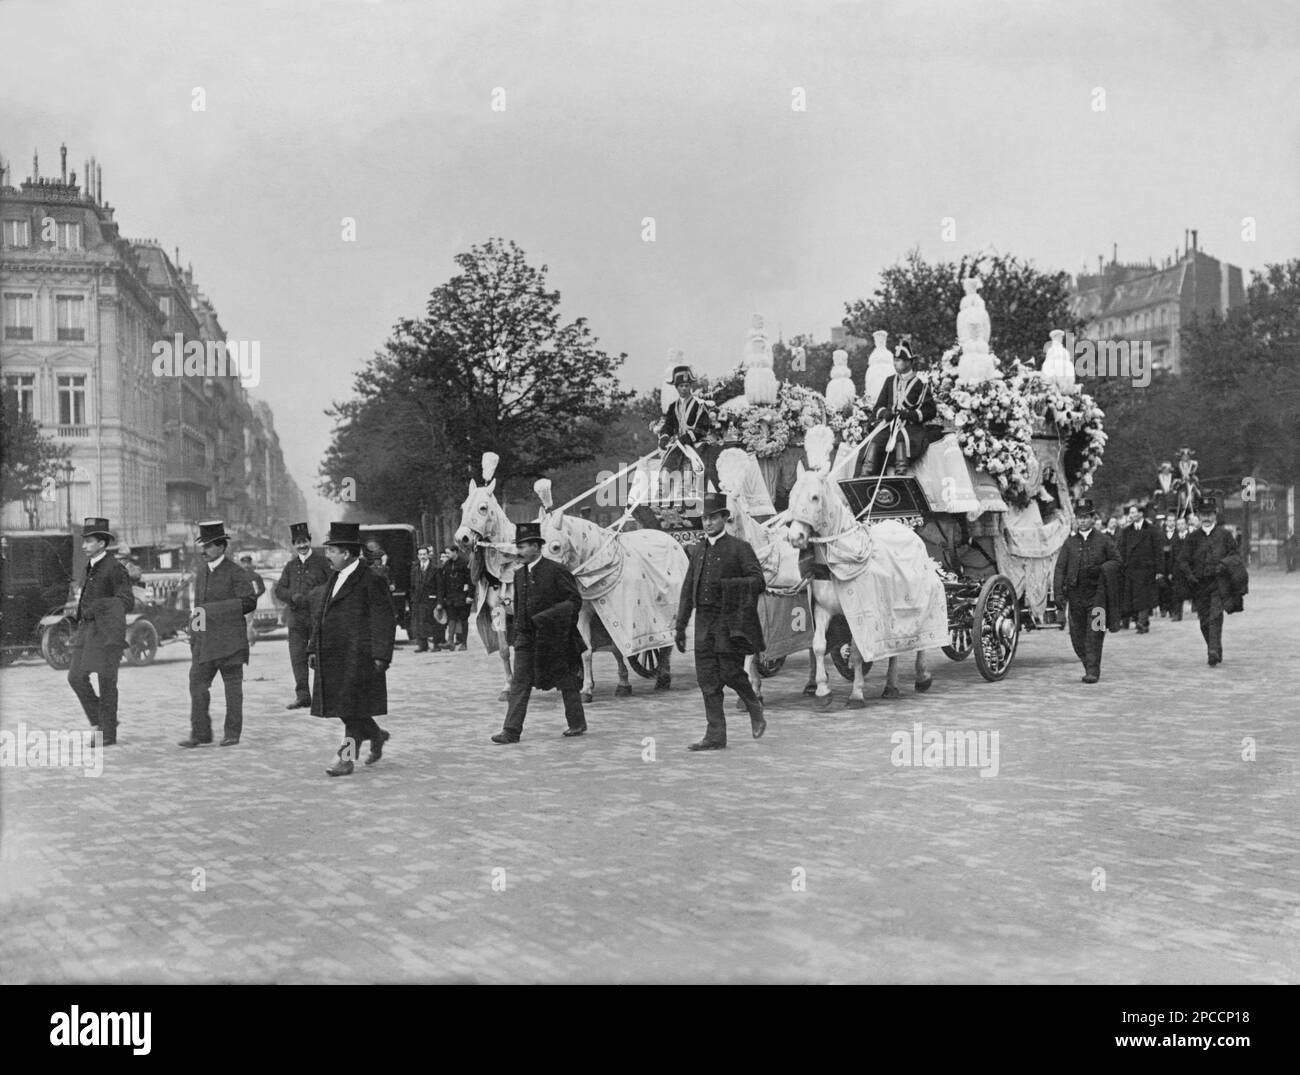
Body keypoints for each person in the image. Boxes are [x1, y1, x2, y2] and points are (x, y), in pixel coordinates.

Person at [675, 491, 767, 749]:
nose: (707, 523)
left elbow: (758, 581)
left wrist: (728, 586)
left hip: (730, 621)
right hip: (704, 621)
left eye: (713, 518)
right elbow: (687, 588)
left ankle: (753, 704)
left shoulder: (740, 548)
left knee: (729, 671)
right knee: (707, 679)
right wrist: (681, 626)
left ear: (724, 519)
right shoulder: (698, 550)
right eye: (704, 519)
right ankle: (715, 735)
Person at [309, 522, 396, 776]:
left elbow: (384, 619)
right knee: (347, 709)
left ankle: (345, 759)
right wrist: (313, 648)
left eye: (332, 551)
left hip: (360, 657)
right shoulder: (335, 577)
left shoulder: (371, 580)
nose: (328, 556)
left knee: (350, 708)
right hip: (333, 655)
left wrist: (381, 655)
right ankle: (376, 735)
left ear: (346, 553)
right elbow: (321, 616)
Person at [491, 522, 587, 743]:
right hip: (526, 638)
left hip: (555, 638)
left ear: (536, 547)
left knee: (566, 681)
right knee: (519, 683)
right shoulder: (518, 574)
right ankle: (511, 731)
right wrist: (517, 632)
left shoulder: (557, 571)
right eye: (518, 546)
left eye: (523, 546)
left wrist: (545, 618)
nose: (519, 552)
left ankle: (577, 723)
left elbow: (574, 602)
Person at [180, 521, 258, 748]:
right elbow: (198, 606)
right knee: (197, 683)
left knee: (233, 689)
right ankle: (200, 733)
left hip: (231, 642)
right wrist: (195, 635)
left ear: (222, 547)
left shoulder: (236, 572)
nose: (203, 550)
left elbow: (249, 601)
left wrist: (216, 610)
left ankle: (232, 733)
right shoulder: (202, 572)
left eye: (209, 545)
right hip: (206, 642)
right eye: (202, 545)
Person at [66, 518, 133, 746]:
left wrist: (98, 607)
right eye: (84, 540)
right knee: (75, 677)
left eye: (89, 541)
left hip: (107, 631)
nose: (84, 545)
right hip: (87, 630)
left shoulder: (115, 568)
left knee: (106, 681)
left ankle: (108, 734)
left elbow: (126, 600)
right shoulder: (91, 566)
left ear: (102, 543)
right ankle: (103, 720)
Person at [1052, 499, 1120, 684]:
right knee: (1077, 636)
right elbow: (1060, 569)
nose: (1081, 521)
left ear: (1092, 518)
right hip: (1075, 596)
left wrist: (1103, 568)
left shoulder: (1104, 540)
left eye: (1085, 517)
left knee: (1095, 632)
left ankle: (1092, 670)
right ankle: (1088, 662)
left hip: (1098, 596)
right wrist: (1058, 593)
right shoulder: (1069, 544)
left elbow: (1117, 561)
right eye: (1079, 518)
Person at [858, 339, 936, 477]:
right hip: (889, 425)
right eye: (895, 360)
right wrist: (885, 413)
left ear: (909, 362)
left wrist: (909, 414)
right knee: (875, 440)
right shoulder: (890, 381)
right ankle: (865, 475)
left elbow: (930, 410)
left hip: (910, 426)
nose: (895, 363)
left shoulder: (920, 384)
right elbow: (878, 407)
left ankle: (900, 475)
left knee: (902, 439)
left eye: (899, 360)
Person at [274, 523, 331, 709]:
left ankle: (323, 696)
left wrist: (317, 596)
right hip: (296, 619)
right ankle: (303, 696)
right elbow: (279, 590)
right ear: (293, 544)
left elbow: (333, 585)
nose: (302, 546)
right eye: (298, 543)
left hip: (318, 619)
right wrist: (292, 596)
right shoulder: (290, 566)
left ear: (309, 541)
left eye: (304, 541)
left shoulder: (322, 562)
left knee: (321, 656)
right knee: (297, 657)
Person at [1178, 493, 1239, 666]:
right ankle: (1215, 646)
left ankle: (1212, 651)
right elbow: (1182, 560)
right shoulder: (1193, 538)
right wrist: (1190, 575)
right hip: (1199, 585)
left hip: (1219, 583)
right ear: (1198, 515)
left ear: (1216, 514)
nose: (1206, 517)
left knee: (1215, 615)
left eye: (1210, 514)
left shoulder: (1225, 535)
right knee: (1204, 620)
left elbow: (1235, 555)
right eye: (1203, 514)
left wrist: (1224, 565)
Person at [1119, 503, 1159, 633]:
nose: (1131, 515)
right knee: (1133, 597)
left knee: (1144, 597)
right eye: (1130, 513)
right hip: (1130, 570)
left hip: (1146, 569)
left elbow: (1157, 551)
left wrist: (1159, 570)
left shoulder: (1151, 530)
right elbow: (1121, 550)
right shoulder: (1126, 531)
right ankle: (1139, 621)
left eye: (1133, 512)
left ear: (1141, 514)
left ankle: (1142, 622)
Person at [437, 546, 472, 651]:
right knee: (451, 619)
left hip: (463, 597)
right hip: (450, 598)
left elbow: (471, 581)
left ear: (455, 552)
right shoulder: (446, 565)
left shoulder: (465, 563)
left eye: (448, 553)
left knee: (463, 619)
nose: (447, 555)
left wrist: (470, 595)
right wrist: (442, 599)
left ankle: (464, 644)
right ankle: (450, 642)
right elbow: (443, 583)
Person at [409, 546, 440, 652]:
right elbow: (412, 585)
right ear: (418, 556)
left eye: (424, 554)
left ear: (428, 555)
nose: (422, 557)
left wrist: (439, 602)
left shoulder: (435, 569)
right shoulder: (415, 569)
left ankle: (436, 645)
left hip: (431, 600)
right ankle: (422, 645)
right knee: (419, 622)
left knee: (433, 622)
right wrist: (413, 598)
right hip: (418, 600)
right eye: (420, 554)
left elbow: (440, 587)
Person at [238, 554, 267, 647]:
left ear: (251, 564)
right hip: (239, 601)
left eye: (247, 563)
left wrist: (255, 596)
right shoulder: (237, 576)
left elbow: (262, 588)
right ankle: (251, 636)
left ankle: (249, 639)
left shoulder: (255, 576)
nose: (246, 565)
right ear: (241, 564)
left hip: (250, 601)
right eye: (244, 563)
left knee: (248, 621)